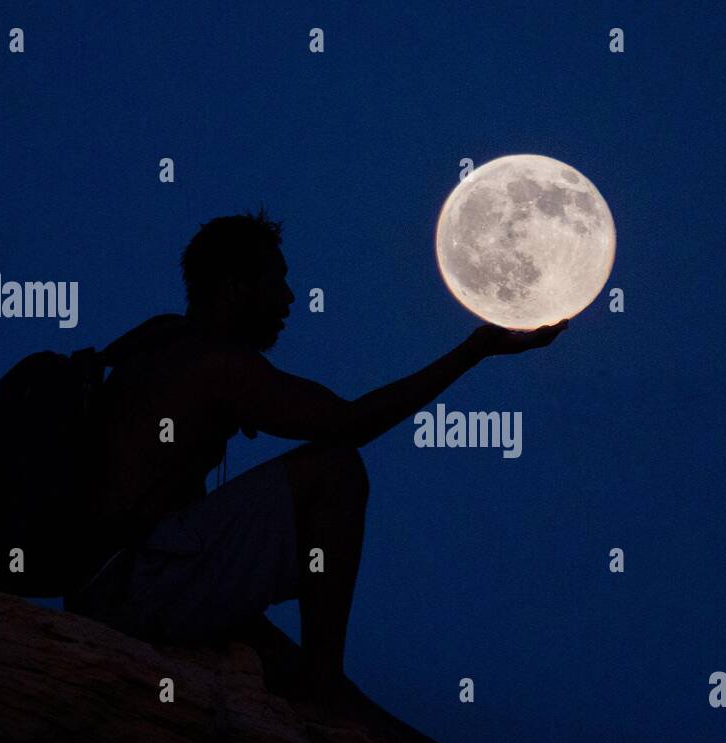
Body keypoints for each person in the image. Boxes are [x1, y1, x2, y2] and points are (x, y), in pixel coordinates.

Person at [64, 208, 566, 707]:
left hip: (115, 582)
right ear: (236, 287)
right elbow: (350, 424)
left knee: (281, 664)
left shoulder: (159, 342)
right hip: (131, 587)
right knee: (335, 471)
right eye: (277, 281)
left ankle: (351, 707)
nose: (289, 297)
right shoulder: (213, 362)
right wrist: (474, 351)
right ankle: (322, 685)